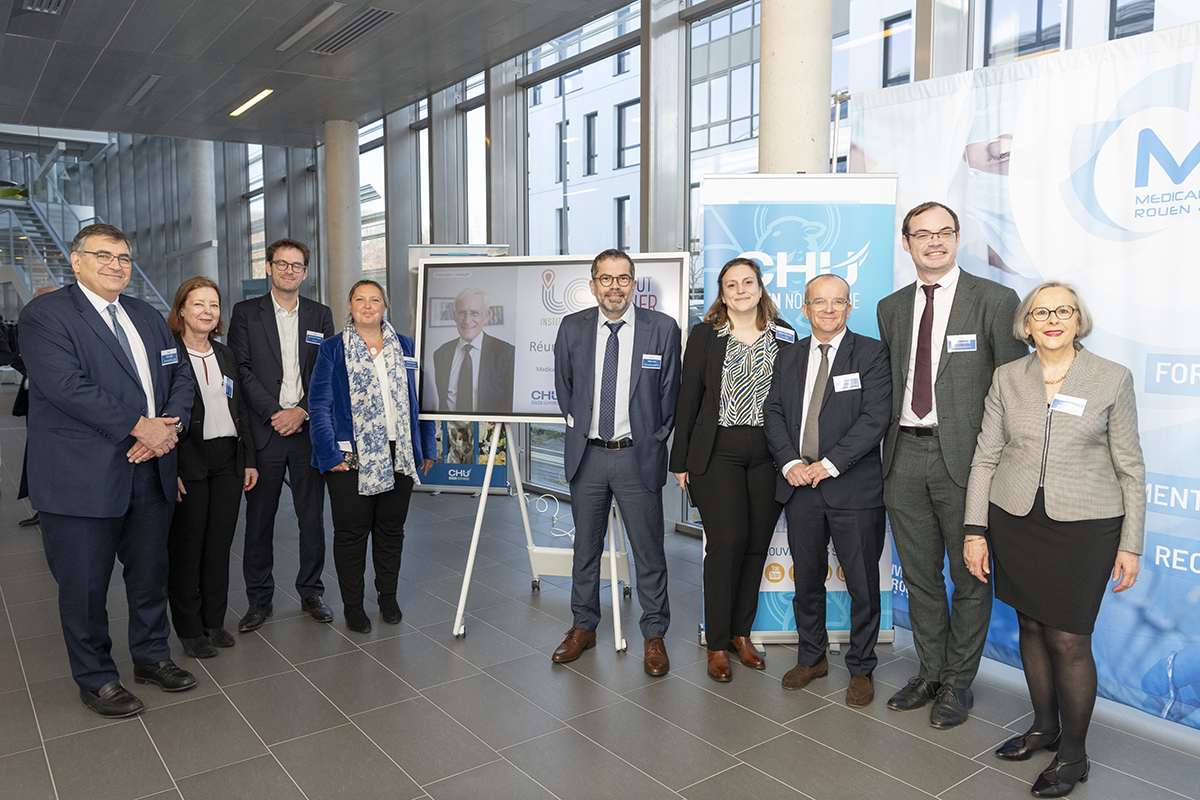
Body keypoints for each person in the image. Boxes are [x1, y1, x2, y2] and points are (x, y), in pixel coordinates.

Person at [964, 282, 1144, 797]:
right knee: (1030, 625)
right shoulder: (1008, 377)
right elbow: (986, 456)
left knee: (1068, 638)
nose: (1052, 319)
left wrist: (1130, 543)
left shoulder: (1111, 377)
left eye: (1063, 310)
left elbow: (1131, 468)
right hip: (1015, 518)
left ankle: (1074, 754)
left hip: (1086, 525)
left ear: (1077, 319)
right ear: (1026, 325)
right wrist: (976, 530)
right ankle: (1044, 727)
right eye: (1040, 312)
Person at [19, 223, 196, 718]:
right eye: (104, 255)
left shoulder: (145, 315)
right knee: (85, 585)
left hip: (150, 470)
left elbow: (179, 373)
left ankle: (152, 657)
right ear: (76, 262)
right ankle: (96, 678)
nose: (117, 265)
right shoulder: (46, 315)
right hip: (81, 477)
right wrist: (142, 427)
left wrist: (168, 426)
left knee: (149, 576)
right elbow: (66, 387)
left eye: (124, 257)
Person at [876, 201, 1028, 728]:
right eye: (923, 234)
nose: (934, 242)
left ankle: (959, 684)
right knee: (919, 577)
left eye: (944, 232)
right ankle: (931, 672)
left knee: (970, 577)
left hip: (968, 461)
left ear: (958, 238)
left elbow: (1016, 390)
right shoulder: (890, 307)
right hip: (902, 457)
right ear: (907, 242)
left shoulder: (995, 300)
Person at [763, 274, 891, 706]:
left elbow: (875, 418)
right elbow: (774, 411)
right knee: (808, 580)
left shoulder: (872, 353)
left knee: (862, 583)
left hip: (853, 488)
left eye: (838, 302)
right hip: (800, 488)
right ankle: (812, 657)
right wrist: (793, 463)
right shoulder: (791, 355)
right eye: (821, 302)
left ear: (849, 307)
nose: (830, 309)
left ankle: (861, 666)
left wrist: (830, 465)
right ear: (806, 307)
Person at [551, 249, 681, 676]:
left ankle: (654, 634)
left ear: (634, 284)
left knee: (648, 552)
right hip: (587, 457)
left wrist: (652, 440)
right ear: (593, 284)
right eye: (606, 279)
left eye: (623, 278)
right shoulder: (572, 327)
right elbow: (565, 387)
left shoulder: (662, 329)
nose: (615, 287)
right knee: (584, 550)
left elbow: (669, 397)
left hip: (636, 457)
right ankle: (583, 626)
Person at [670, 257, 796, 682]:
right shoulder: (706, 336)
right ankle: (718, 643)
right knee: (726, 543)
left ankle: (743, 634)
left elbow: (796, 402)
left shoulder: (786, 336)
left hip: (770, 454)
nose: (740, 290)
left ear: (761, 289)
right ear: (722, 293)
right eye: (731, 284)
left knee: (756, 545)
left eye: (748, 282)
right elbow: (687, 400)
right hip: (716, 451)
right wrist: (680, 460)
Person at [309, 280, 436, 634]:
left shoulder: (406, 346)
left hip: (400, 452)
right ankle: (353, 605)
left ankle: (388, 596)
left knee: (391, 530)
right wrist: (327, 452)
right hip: (350, 457)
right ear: (349, 305)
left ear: (385, 306)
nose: (368, 305)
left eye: (375, 299)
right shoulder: (333, 348)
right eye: (360, 299)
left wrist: (427, 446)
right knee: (351, 533)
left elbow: (422, 400)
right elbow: (318, 404)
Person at [228, 238, 336, 631]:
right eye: (282, 264)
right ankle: (259, 599)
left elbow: (327, 372)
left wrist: (302, 411)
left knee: (312, 517)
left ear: (305, 272)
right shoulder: (245, 313)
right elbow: (241, 370)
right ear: (269, 268)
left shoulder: (321, 315)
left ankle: (311, 591)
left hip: (307, 431)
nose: (289, 271)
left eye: (297, 265)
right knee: (259, 519)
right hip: (266, 431)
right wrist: (277, 413)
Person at [166, 278, 259, 659]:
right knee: (188, 547)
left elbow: (240, 411)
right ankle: (189, 630)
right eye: (199, 304)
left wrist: (249, 459)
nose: (207, 311)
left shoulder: (224, 354)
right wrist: (166, 468)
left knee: (219, 547)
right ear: (182, 310)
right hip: (187, 459)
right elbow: (161, 412)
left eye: (214, 305)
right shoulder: (169, 355)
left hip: (227, 461)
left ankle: (213, 622)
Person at [432, 287, 515, 414]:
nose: (467, 320)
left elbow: (510, 405)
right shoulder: (441, 354)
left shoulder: (506, 353)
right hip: (450, 432)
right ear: (454, 316)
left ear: (486, 316)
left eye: (474, 313)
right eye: (461, 313)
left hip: (491, 432)